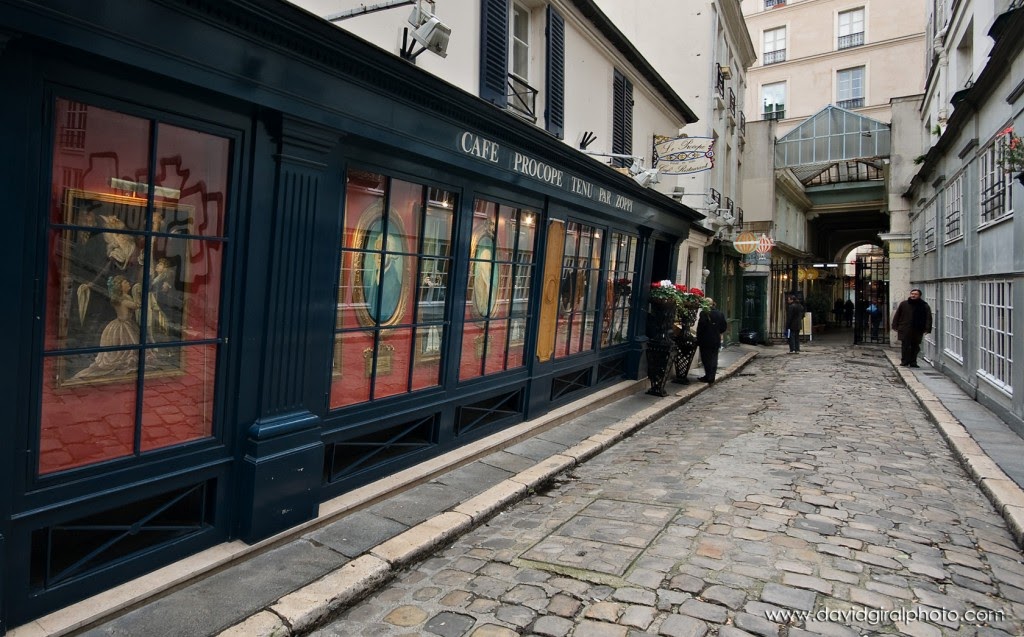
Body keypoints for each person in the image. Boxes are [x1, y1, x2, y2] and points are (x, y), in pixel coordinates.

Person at [891, 288, 932, 367]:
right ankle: (904, 361)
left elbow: (928, 317)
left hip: (917, 329)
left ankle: (913, 362)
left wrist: (927, 328)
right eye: (912, 294)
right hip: (905, 328)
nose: (913, 295)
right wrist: (895, 325)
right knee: (905, 346)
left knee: (915, 346)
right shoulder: (904, 304)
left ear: (919, 296)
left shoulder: (924, 305)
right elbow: (897, 315)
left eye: (916, 294)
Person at [695, 297, 728, 384]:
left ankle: (708, 376)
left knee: (706, 359)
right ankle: (711, 376)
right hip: (716, 339)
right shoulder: (719, 313)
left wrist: (698, 338)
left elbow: (701, 327)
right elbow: (724, 327)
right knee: (714, 358)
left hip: (705, 340)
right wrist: (717, 331)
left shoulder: (704, 313)